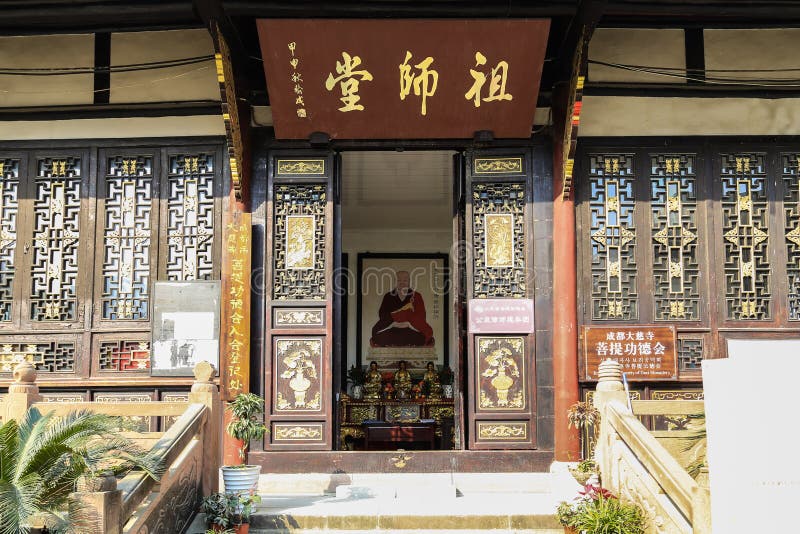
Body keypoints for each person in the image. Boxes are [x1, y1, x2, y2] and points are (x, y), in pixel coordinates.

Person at [370, 270, 434, 347]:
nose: (402, 282)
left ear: (409, 281)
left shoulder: (416, 296)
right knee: (377, 336)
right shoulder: (388, 296)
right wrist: (394, 322)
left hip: (411, 328)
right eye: (399, 280)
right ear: (395, 281)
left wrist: (409, 323)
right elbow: (383, 314)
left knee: (423, 337)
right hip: (392, 327)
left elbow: (421, 314)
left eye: (405, 280)